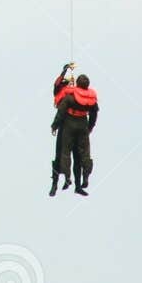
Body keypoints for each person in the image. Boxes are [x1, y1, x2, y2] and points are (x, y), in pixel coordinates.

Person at [51, 74, 99, 196]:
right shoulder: (91, 100)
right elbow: (94, 114)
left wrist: (54, 125)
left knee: (64, 153)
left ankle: (66, 178)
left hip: (68, 127)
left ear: (77, 84)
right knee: (82, 155)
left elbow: (61, 112)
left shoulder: (69, 97)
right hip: (83, 126)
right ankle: (83, 179)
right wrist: (90, 127)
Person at [48, 63, 77, 196]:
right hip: (76, 127)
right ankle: (68, 179)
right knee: (73, 155)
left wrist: (54, 126)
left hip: (65, 128)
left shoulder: (64, 96)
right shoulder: (73, 95)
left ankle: (57, 182)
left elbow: (60, 115)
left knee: (60, 154)